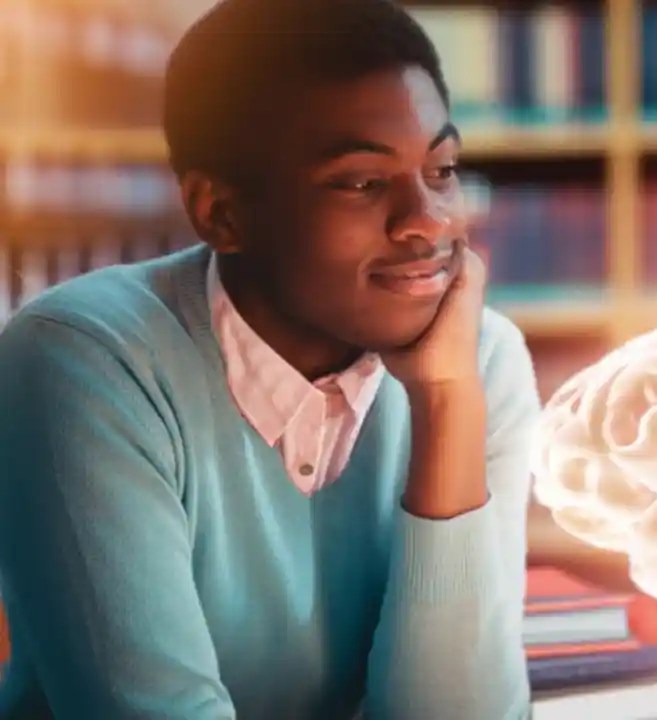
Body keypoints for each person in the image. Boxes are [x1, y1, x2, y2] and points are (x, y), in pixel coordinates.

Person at [0, 0, 540, 717]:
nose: (429, 222)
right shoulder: (83, 364)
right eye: (360, 181)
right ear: (221, 213)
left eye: (440, 169)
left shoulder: (479, 360)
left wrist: (444, 402)